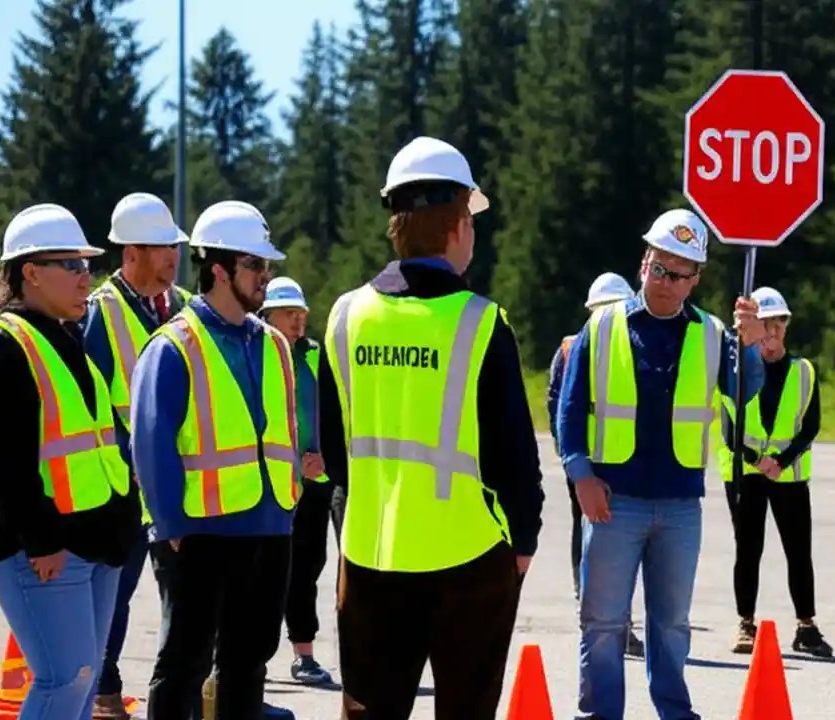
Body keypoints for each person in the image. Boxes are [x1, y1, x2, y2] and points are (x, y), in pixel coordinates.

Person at [319, 135, 544, 720]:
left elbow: (336, 452)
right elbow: (513, 457)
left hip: (369, 560)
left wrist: (356, 525)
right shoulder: (480, 323)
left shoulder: (345, 317)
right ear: (456, 226)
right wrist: (521, 542)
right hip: (467, 562)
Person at [557, 207, 765, 720]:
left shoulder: (714, 332)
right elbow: (569, 405)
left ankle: (674, 710)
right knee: (603, 620)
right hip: (613, 501)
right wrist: (580, 474)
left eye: (680, 274)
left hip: (678, 504)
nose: (666, 282)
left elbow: (746, 387)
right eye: (659, 268)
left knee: (671, 622)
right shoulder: (602, 325)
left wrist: (753, 344)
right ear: (643, 262)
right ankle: (600, 712)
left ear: (696, 280)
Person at [132, 200, 301, 720]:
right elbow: (151, 439)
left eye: (267, 266)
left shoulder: (274, 342)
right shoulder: (174, 345)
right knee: (183, 662)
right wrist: (172, 525)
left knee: (249, 663)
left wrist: (288, 508)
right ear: (219, 269)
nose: (265, 278)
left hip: (269, 528)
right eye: (255, 266)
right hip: (201, 534)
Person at [0, 204, 141, 720]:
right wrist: (42, 539)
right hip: (44, 550)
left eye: (87, 266)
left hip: (94, 540)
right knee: (64, 680)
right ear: (30, 272)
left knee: (81, 679)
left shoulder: (66, 337)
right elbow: (2, 460)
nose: (86, 278)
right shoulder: (4, 346)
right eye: (71, 265)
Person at [80, 192, 192, 720]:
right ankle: (104, 690)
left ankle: (180, 695)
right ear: (131, 253)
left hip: (178, 483)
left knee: (185, 601)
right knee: (113, 598)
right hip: (122, 484)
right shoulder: (98, 314)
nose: (173, 256)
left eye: (174, 246)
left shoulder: (187, 307)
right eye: (161, 247)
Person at [717, 287, 832, 658]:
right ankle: (746, 622)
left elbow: (810, 425)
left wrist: (780, 461)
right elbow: (728, 429)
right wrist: (756, 459)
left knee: (799, 550)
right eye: (764, 324)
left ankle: (806, 626)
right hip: (745, 473)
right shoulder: (736, 372)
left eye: (778, 323)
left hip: (789, 474)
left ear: (786, 326)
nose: (771, 331)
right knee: (747, 549)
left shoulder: (804, 371)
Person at [546, 271, 645, 657]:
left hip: (621, 462)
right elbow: (557, 404)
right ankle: (590, 604)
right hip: (585, 464)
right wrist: (571, 458)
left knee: (619, 543)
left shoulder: (633, 347)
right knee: (588, 534)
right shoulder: (572, 349)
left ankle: (618, 620)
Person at [259, 276, 335, 686]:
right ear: (266, 314)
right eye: (289, 313)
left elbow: (332, 413)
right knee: (260, 572)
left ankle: (303, 654)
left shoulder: (317, 357)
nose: (297, 321)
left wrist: (324, 456)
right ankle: (246, 659)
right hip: (264, 484)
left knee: (306, 568)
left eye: (301, 314)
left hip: (313, 483)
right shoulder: (253, 352)